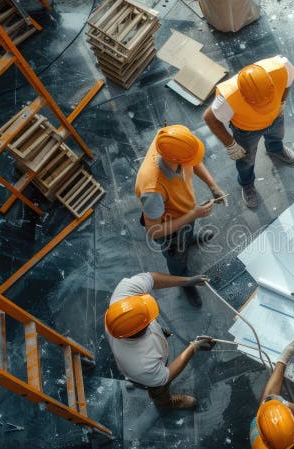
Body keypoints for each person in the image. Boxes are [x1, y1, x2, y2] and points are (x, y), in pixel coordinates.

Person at [135, 125, 226, 306]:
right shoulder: (152, 189)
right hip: (169, 229)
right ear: (175, 159)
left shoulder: (172, 138)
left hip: (185, 211)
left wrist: (212, 185)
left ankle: (189, 239)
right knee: (177, 257)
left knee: (187, 232)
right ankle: (184, 280)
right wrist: (194, 214)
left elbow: (193, 160)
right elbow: (154, 231)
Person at [105, 272, 217, 409]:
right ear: (141, 330)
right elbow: (165, 376)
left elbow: (151, 279)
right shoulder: (143, 364)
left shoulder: (122, 299)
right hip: (146, 376)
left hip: (142, 356)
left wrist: (187, 280)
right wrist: (194, 347)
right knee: (159, 390)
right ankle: (167, 404)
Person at [203, 55, 294, 209]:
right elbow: (210, 118)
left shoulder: (281, 68)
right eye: (259, 105)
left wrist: (281, 102)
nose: (263, 109)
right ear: (244, 97)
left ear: (270, 83)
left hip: (275, 117)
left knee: (277, 135)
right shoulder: (228, 98)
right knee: (245, 161)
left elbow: (288, 83)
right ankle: (247, 183)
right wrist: (231, 145)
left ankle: (276, 149)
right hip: (246, 131)